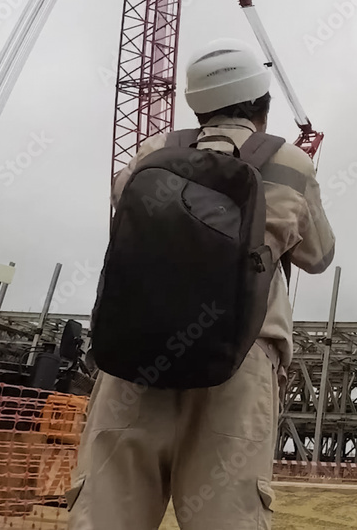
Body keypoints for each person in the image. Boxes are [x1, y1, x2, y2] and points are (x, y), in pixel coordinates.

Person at [68, 38, 335, 529]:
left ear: (198, 104)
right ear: (262, 105)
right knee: (227, 514)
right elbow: (318, 255)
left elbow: (123, 215)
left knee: (105, 512)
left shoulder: (153, 152)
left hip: (133, 352)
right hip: (239, 356)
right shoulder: (291, 162)